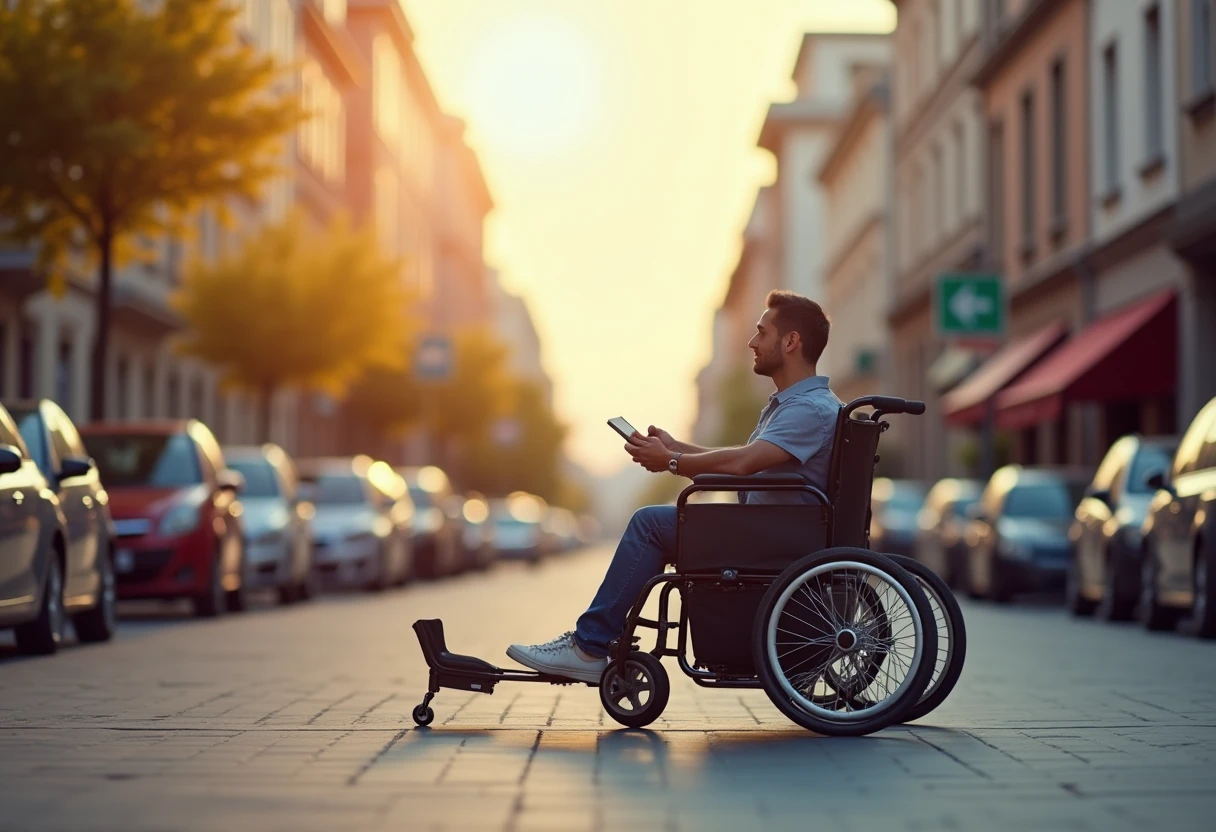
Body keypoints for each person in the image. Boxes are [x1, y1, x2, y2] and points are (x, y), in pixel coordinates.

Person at [506, 290, 843, 682]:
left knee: (650, 523)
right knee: (659, 522)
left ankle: (589, 646)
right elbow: (742, 460)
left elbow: (743, 463)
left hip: (773, 537)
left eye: (762, 332)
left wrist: (671, 462)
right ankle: (594, 640)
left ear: (790, 342)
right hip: (773, 529)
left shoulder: (808, 409)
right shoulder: (800, 405)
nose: (752, 342)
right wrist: (675, 449)